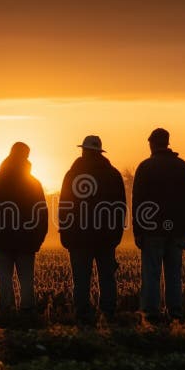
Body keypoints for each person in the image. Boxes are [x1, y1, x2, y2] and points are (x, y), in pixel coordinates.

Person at [132, 128, 185, 321]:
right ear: (167, 143)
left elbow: (138, 202)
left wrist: (138, 230)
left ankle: (151, 313)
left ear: (152, 143)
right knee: (174, 274)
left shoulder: (145, 167)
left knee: (151, 273)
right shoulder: (183, 167)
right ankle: (175, 312)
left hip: (152, 230)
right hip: (176, 230)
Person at [59, 135, 126, 321]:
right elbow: (120, 207)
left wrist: (65, 233)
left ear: (83, 151)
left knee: (81, 279)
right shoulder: (113, 174)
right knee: (107, 277)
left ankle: (82, 316)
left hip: (78, 237)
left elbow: (64, 205)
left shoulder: (72, 175)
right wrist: (117, 233)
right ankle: (108, 313)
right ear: (99, 152)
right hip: (106, 237)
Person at [0, 142, 49, 314]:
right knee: (26, 277)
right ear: (26, 157)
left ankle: (6, 310)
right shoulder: (33, 182)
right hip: (27, 238)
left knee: (4, 276)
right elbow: (42, 211)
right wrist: (39, 237)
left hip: (1, 237)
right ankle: (27, 309)